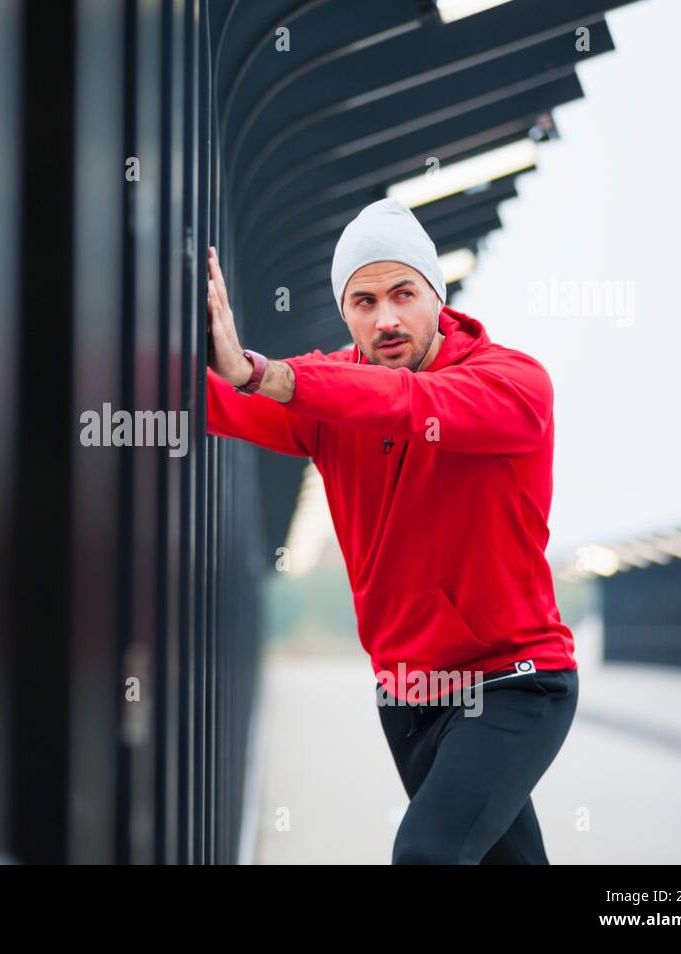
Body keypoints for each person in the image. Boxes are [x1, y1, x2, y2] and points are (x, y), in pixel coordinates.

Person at [205, 197, 579, 864]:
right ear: (345, 313)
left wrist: (266, 373)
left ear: (436, 295)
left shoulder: (513, 385)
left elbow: (409, 404)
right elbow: (209, 402)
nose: (386, 318)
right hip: (408, 695)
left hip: (514, 683)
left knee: (427, 855)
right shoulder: (330, 393)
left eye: (403, 294)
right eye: (364, 301)